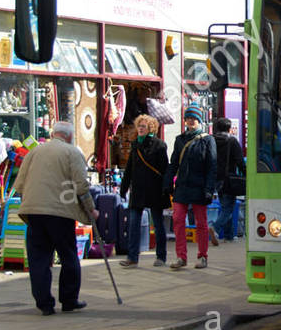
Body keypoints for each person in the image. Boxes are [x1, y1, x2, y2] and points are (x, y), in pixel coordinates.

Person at [11, 120, 97, 316]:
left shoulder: (34, 152)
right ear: (68, 136)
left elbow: (20, 185)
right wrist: (91, 210)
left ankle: (44, 304)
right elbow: (81, 186)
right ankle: (69, 300)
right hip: (60, 212)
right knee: (68, 254)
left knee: (39, 258)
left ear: (53, 134)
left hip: (34, 212)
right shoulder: (72, 152)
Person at [165, 106, 218, 269]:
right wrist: (168, 181)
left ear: (199, 120)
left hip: (200, 187)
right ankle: (181, 257)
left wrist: (209, 189)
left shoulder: (208, 140)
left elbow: (212, 166)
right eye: (187, 118)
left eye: (193, 118)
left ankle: (202, 256)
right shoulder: (179, 139)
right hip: (182, 186)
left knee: (201, 223)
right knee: (178, 220)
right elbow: (174, 163)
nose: (190, 121)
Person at [118, 113, 169, 268]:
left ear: (150, 128)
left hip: (155, 190)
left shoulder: (159, 145)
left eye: (143, 126)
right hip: (138, 190)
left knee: (158, 224)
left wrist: (167, 188)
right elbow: (129, 169)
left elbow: (165, 169)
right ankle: (132, 257)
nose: (140, 129)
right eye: (139, 126)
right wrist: (124, 187)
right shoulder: (135, 145)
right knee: (134, 224)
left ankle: (161, 256)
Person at [211, 117, 246, 244]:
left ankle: (229, 235)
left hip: (215, 178)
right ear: (229, 128)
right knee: (228, 208)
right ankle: (215, 227)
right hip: (229, 179)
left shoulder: (212, 141)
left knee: (225, 205)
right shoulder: (232, 141)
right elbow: (240, 161)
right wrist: (246, 175)